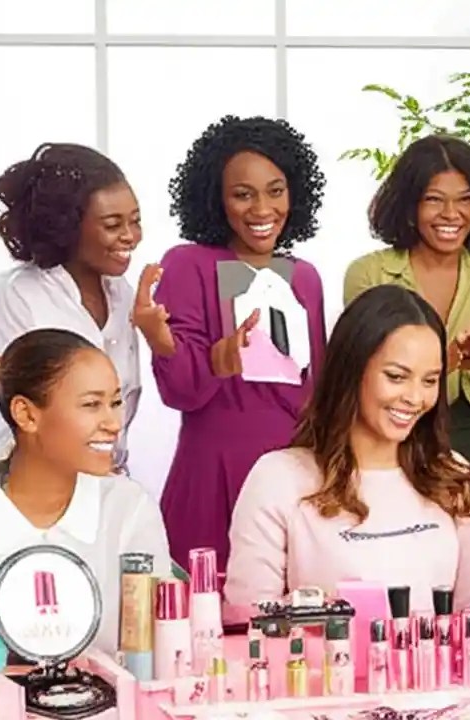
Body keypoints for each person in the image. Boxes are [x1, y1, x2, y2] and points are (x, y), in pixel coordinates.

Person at [0, 329, 171, 718]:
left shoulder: (129, 507)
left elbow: (157, 641)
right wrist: (24, 653)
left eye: (115, 402)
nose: (114, 423)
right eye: (92, 405)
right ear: (26, 414)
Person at [134, 115, 328, 570]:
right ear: (217, 199)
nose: (262, 209)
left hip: (294, 473)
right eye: (243, 194)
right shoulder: (188, 265)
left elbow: (317, 394)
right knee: (207, 614)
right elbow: (181, 392)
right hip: (212, 473)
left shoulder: (305, 277)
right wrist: (200, 355)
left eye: (275, 191)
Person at [224, 285, 470, 619]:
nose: (415, 398)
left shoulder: (453, 476)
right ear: (352, 370)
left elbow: (461, 620)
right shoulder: (279, 479)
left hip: (431, 669)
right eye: (396, 377)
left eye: (430, 380)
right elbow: (247, 625)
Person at [345, 135, 470, 529]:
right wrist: (456, 359)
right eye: (433, 199)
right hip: (391, 446)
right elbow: (360, 378)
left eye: (465, 199)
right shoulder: (370, 275)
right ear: (409, 204)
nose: (451, 213)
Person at [0, 143, 143, 472]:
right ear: (68, 227)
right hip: (20, 491)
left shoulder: (122, 295)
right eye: (113, 224)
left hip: (102, 487)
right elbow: (10, 421)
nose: (130, 236)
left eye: (135, 221)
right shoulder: (16, 296)